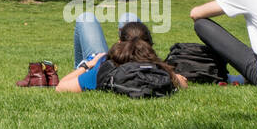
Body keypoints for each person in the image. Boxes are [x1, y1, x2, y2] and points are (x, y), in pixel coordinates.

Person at [55, 17, 186, 93]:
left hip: (98, 60)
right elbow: (182, 83)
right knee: (128, 17)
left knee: (86, 18)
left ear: (119, 43)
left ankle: (81, 64)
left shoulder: (102, 68)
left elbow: (60, 87)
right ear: (149, 45)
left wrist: (88, 64)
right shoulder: (157, 68)